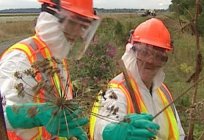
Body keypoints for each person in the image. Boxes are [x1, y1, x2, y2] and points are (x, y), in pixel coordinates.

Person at [0, 0, 100, 139]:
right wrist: (35, 114)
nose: (78, 33)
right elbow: (3, 116)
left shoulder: (57, 58)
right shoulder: (20, 58)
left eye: (84, 26)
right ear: (51, 15)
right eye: (72, 23)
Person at [90, 18, 185, 140]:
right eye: (144, 52)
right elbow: (102, 129)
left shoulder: (163, 92)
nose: (150, 61)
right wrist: (113, 132)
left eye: (158, 55)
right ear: (132, 52)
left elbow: (179, 133)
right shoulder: (116, 92)